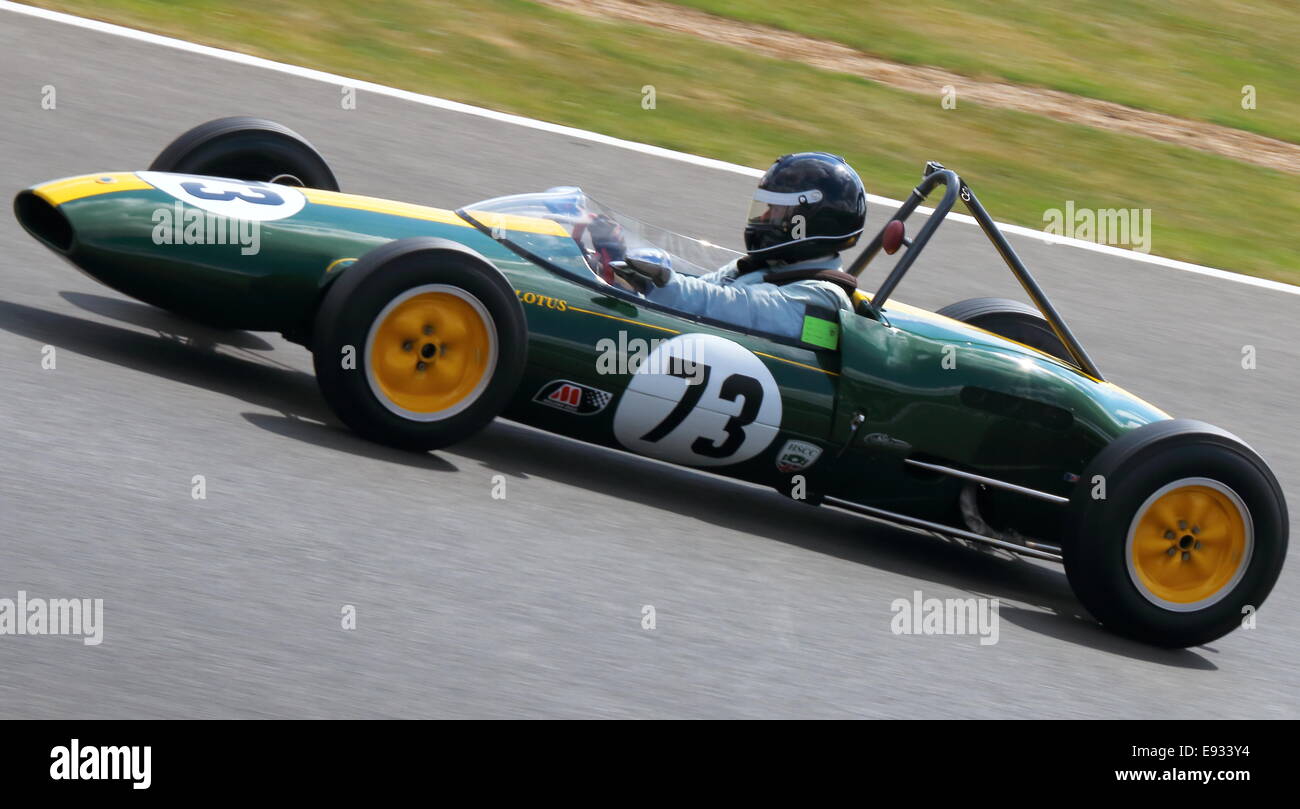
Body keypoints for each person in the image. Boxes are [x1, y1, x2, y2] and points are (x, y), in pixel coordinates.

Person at [613, 152, 867, 339]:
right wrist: (618, 252)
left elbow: (736, 308)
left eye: (776, 212)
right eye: (765, 208)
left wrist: (664, 283)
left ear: (810, 223)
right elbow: (704, 290)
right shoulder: (761, 268)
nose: (764, 218)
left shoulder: (821, 300)